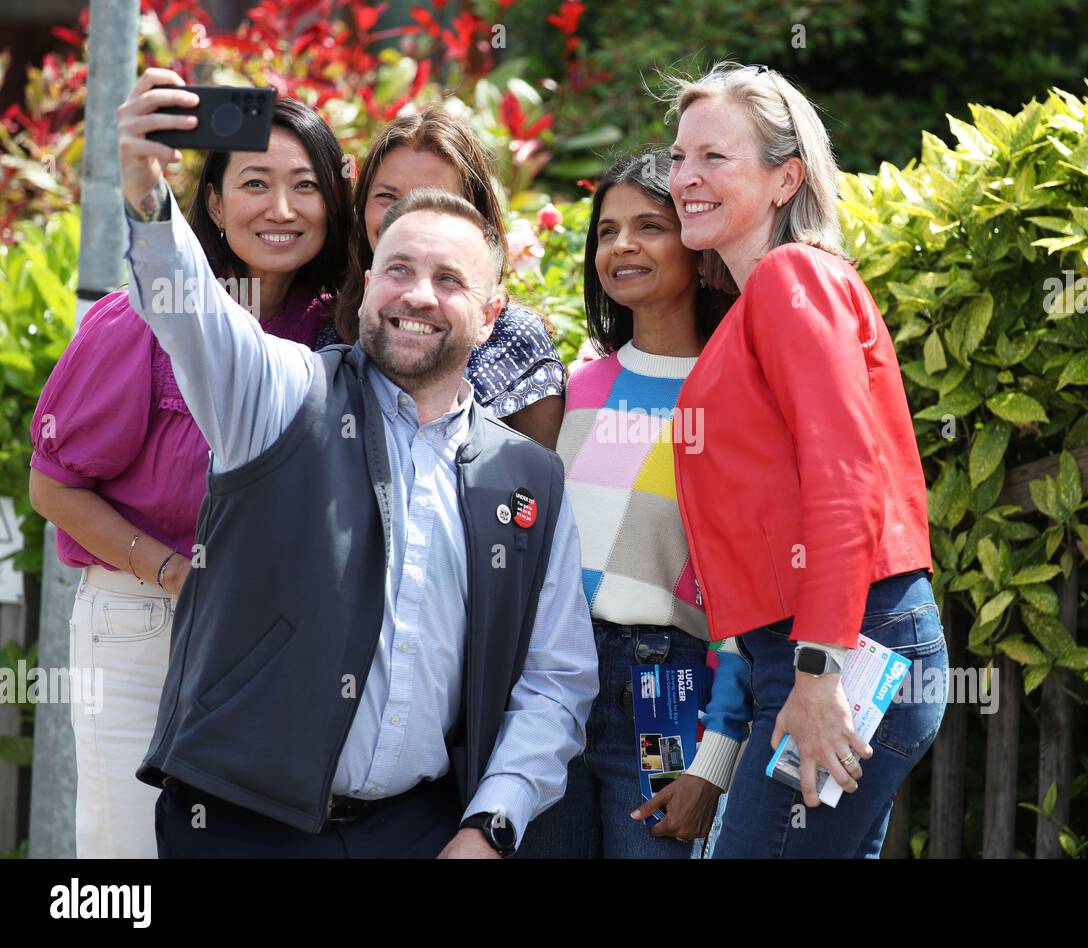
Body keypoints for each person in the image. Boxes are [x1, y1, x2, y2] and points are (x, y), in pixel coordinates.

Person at [115, 68, 597, 858]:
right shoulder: (278, 391)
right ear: (368, 281)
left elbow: (556, 681)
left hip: (421, 832)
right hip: (239, 824)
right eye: (400, 270)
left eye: (450, 280)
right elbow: (185, 303)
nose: (418, 295)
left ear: (491, 313)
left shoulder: (529, 480)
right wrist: (141, 184)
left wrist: (490, 824)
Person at [27, 94, 349, 859]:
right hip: (145, 619)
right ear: (210, 199)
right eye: (255, 183)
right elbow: (53, 485)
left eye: (306, 185)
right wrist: (172, 572)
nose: (283, 208)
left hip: (271, 641)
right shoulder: (146, 314)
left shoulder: (338, 328)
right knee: (131, 854)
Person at [665, 62, 950, 858]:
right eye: (679, 157)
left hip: (840, 648)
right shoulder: (757, 300)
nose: (685, 177)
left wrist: (820, 670)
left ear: (785, 177)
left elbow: (844, 479)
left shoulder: (794, 277)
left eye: (714, 158)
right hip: (814, 650)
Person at [514, 152, 747, 858]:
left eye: (650, 225)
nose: (622, 246)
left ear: (700, 250)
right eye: (607, 231)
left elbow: (749, 594)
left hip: (664, 688)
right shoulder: (573, 390)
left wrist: (715, 759)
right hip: (552, 683)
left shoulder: (737, 397)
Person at [318, 107, 566, 448]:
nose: (404, 218)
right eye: (387, 197)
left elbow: (540, 480)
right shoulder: (328, 329)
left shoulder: (514, 338)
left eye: (432, 201)